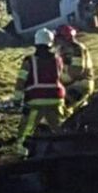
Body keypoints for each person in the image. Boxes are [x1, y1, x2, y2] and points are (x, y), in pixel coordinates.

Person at [14, 28, 66, 157]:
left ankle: (22, 153)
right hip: (56, 99)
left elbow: (21, 81)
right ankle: (64, 150)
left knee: (27, 129)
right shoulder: (58, 60)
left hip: (36, 99)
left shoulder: (29, 61)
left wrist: (17, 100)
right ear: (51, 42)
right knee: (59, 128)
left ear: (36, 42)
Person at [55, 24, 94, 115]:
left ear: (65, 38)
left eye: (58, 37)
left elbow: (76, 71)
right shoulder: (63, 49)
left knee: (60, 109)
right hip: (73, 86)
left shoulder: (76, 49)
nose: (56, 40)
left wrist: (59, 78)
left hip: (79, 86)